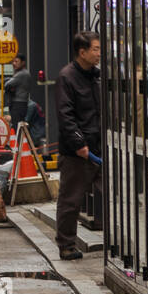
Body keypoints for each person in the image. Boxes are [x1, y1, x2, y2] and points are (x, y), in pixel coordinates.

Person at [55, 31, 102, 260]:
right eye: (95, 49)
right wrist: (79, 144)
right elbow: (66, 115)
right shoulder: (67, 77)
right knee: (71, 200)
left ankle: (117, 242)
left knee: (112, 195)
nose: (98, 54)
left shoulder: (96, 76)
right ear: (81, 52)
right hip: (77, 152)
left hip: (99, 147)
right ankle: (66, 245)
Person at [0, 55, 35, 132]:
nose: (14, 63)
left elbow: (7, 85)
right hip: (20, 103)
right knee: (18, 125)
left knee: (17, 126)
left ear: (23, 63)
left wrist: (10, 85)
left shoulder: (21, 74)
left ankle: (18, 142)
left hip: (18, 104)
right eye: (13, 61)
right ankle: (19, 142)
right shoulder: (22, 73)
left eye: (16, 61)